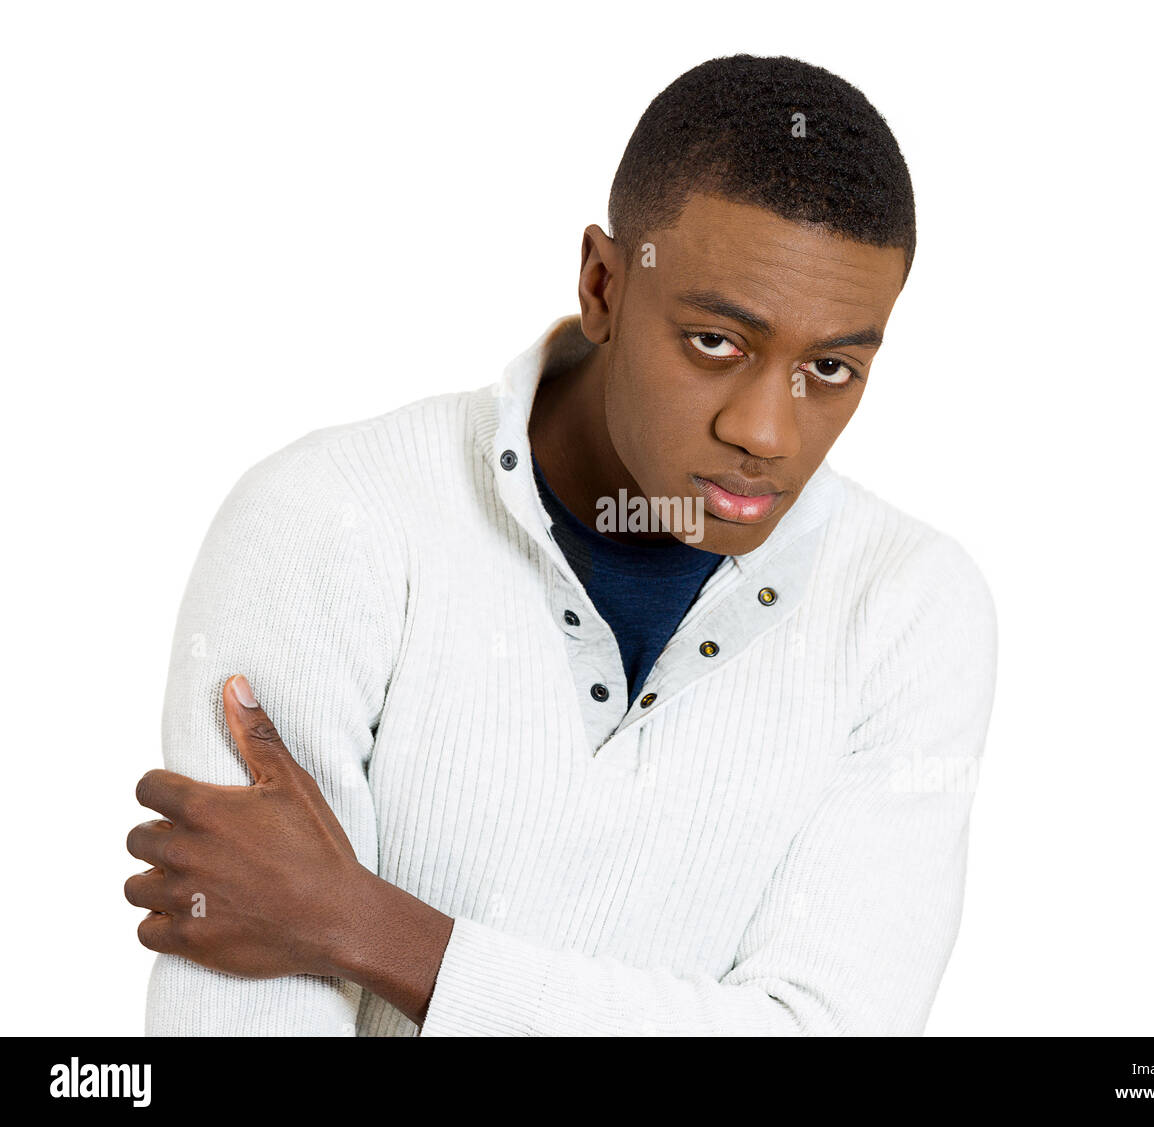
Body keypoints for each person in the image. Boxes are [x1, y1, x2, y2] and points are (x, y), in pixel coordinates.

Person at [125, 52, 998, 1036]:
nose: (766, 431)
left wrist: (367, 926)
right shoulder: (335, 518)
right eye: (716, 341)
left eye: (831, 366)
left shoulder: (910, 607)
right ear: (603, 285)